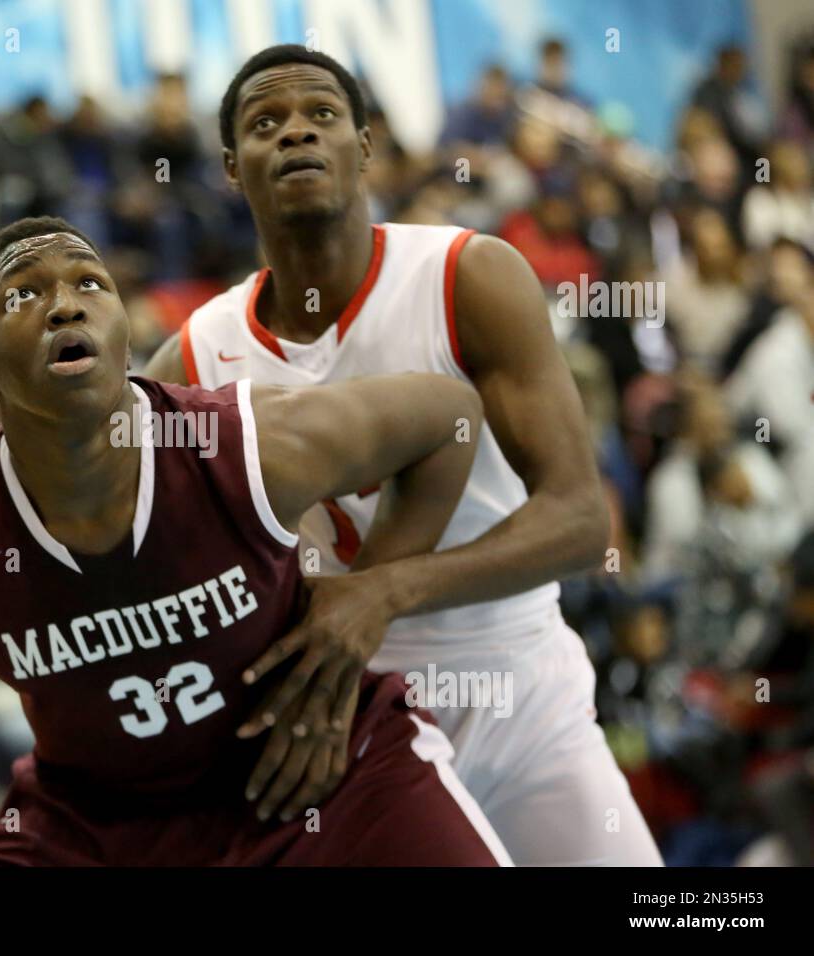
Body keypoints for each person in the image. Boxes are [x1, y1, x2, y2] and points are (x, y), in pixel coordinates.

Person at [144, 45, 662, 866]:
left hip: (519, 689)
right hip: (344, 713)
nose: (295, 135)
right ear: (232, 170)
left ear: (366, 146)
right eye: (265, 124)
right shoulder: (194, 359)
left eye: (321, 116)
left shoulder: (468, 276)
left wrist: (379, 593)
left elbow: (577, 518)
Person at [0, 216, 509, 866]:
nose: (65, 305)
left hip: (324, 781)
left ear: (126, 336)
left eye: (90, 283)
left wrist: (374, 592)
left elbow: (449, 417)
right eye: (24, 295)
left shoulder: (247, 445)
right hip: (102, 827)